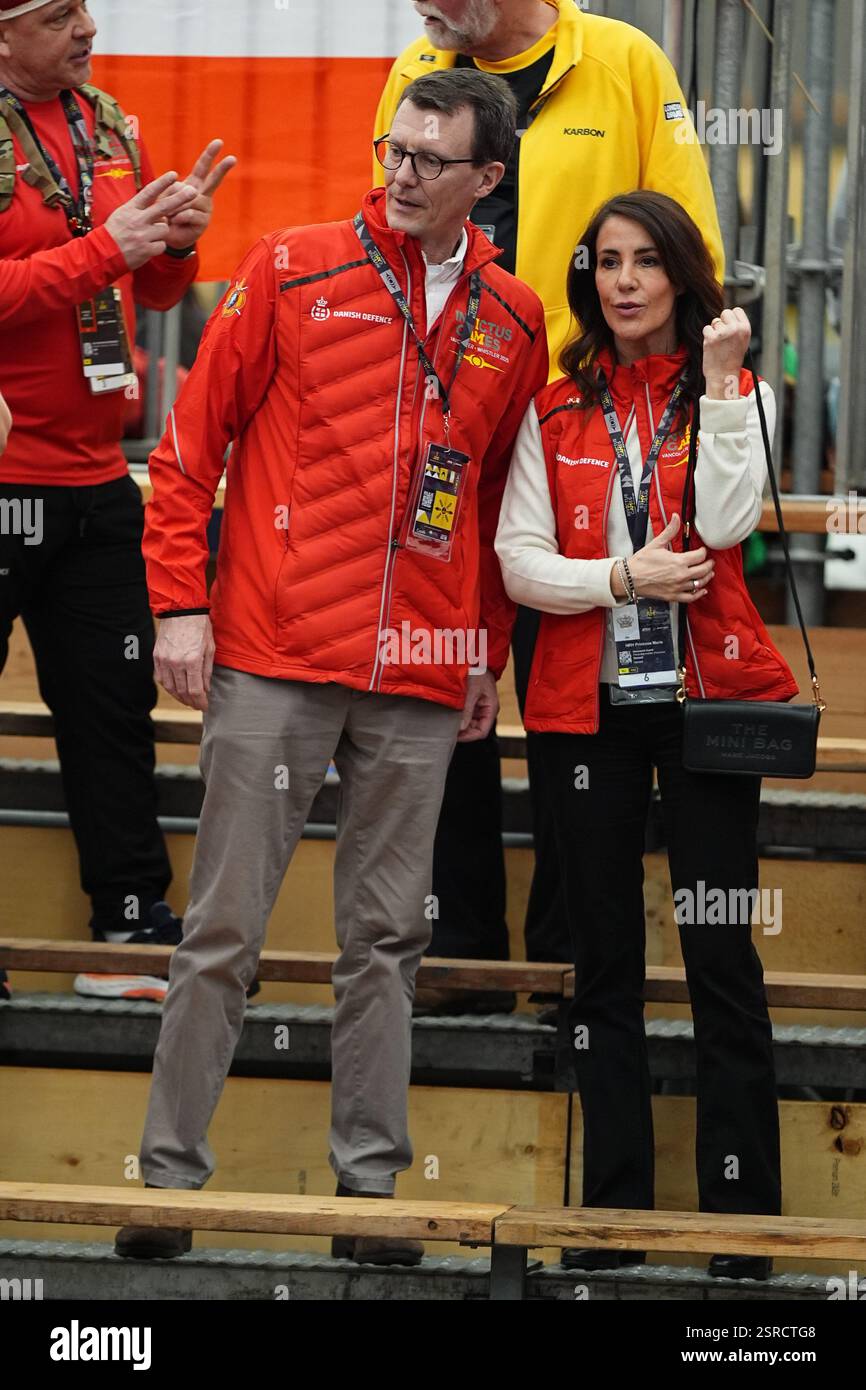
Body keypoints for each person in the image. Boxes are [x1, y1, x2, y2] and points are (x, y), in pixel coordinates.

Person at [113, 68, 548, 1265]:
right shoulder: (292, 264)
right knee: (222, 932)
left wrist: (480, 652)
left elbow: (501, 510)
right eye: (392, 149)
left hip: (419, 671)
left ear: (484, 181)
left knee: (387, 940)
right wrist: (178, 610)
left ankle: (368, 1195)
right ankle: (163, 1187)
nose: (400, 173)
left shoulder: (512, 319)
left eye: (428, 159)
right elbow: (189, 449)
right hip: (271, 653)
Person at [376, 0, 725, 1012]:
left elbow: (683, 244)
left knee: (577, 695)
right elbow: (389, 237)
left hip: (583, 436)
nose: (427, 10)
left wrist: (662, 417)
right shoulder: (411, 68)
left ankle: (567, 959)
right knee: (443, 690)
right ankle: (461, 949)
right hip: (446, 438)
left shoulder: (622, 60)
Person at [495, 190, 796, 1280]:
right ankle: (611, 1215)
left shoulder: (734, 395)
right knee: (600, 962)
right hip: (584, 704)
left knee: (720, 954)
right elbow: (516, 559)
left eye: (643, 262)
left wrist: (719, 387)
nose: (622, 282)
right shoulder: (553, 408)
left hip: (706, 698)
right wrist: (619, 576)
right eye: (605, 263)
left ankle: (742, 1225)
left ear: (680, 274)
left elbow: (723, 527)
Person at [0, 0, 233, 999]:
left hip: (98, 481)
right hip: (5, 481)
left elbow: (150, 296)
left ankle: (128, 931)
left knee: (111, 713)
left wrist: (174, 244)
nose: (87, 27)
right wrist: (108, 247)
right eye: (58, 15)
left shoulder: (110, 123)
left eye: (86, 6)